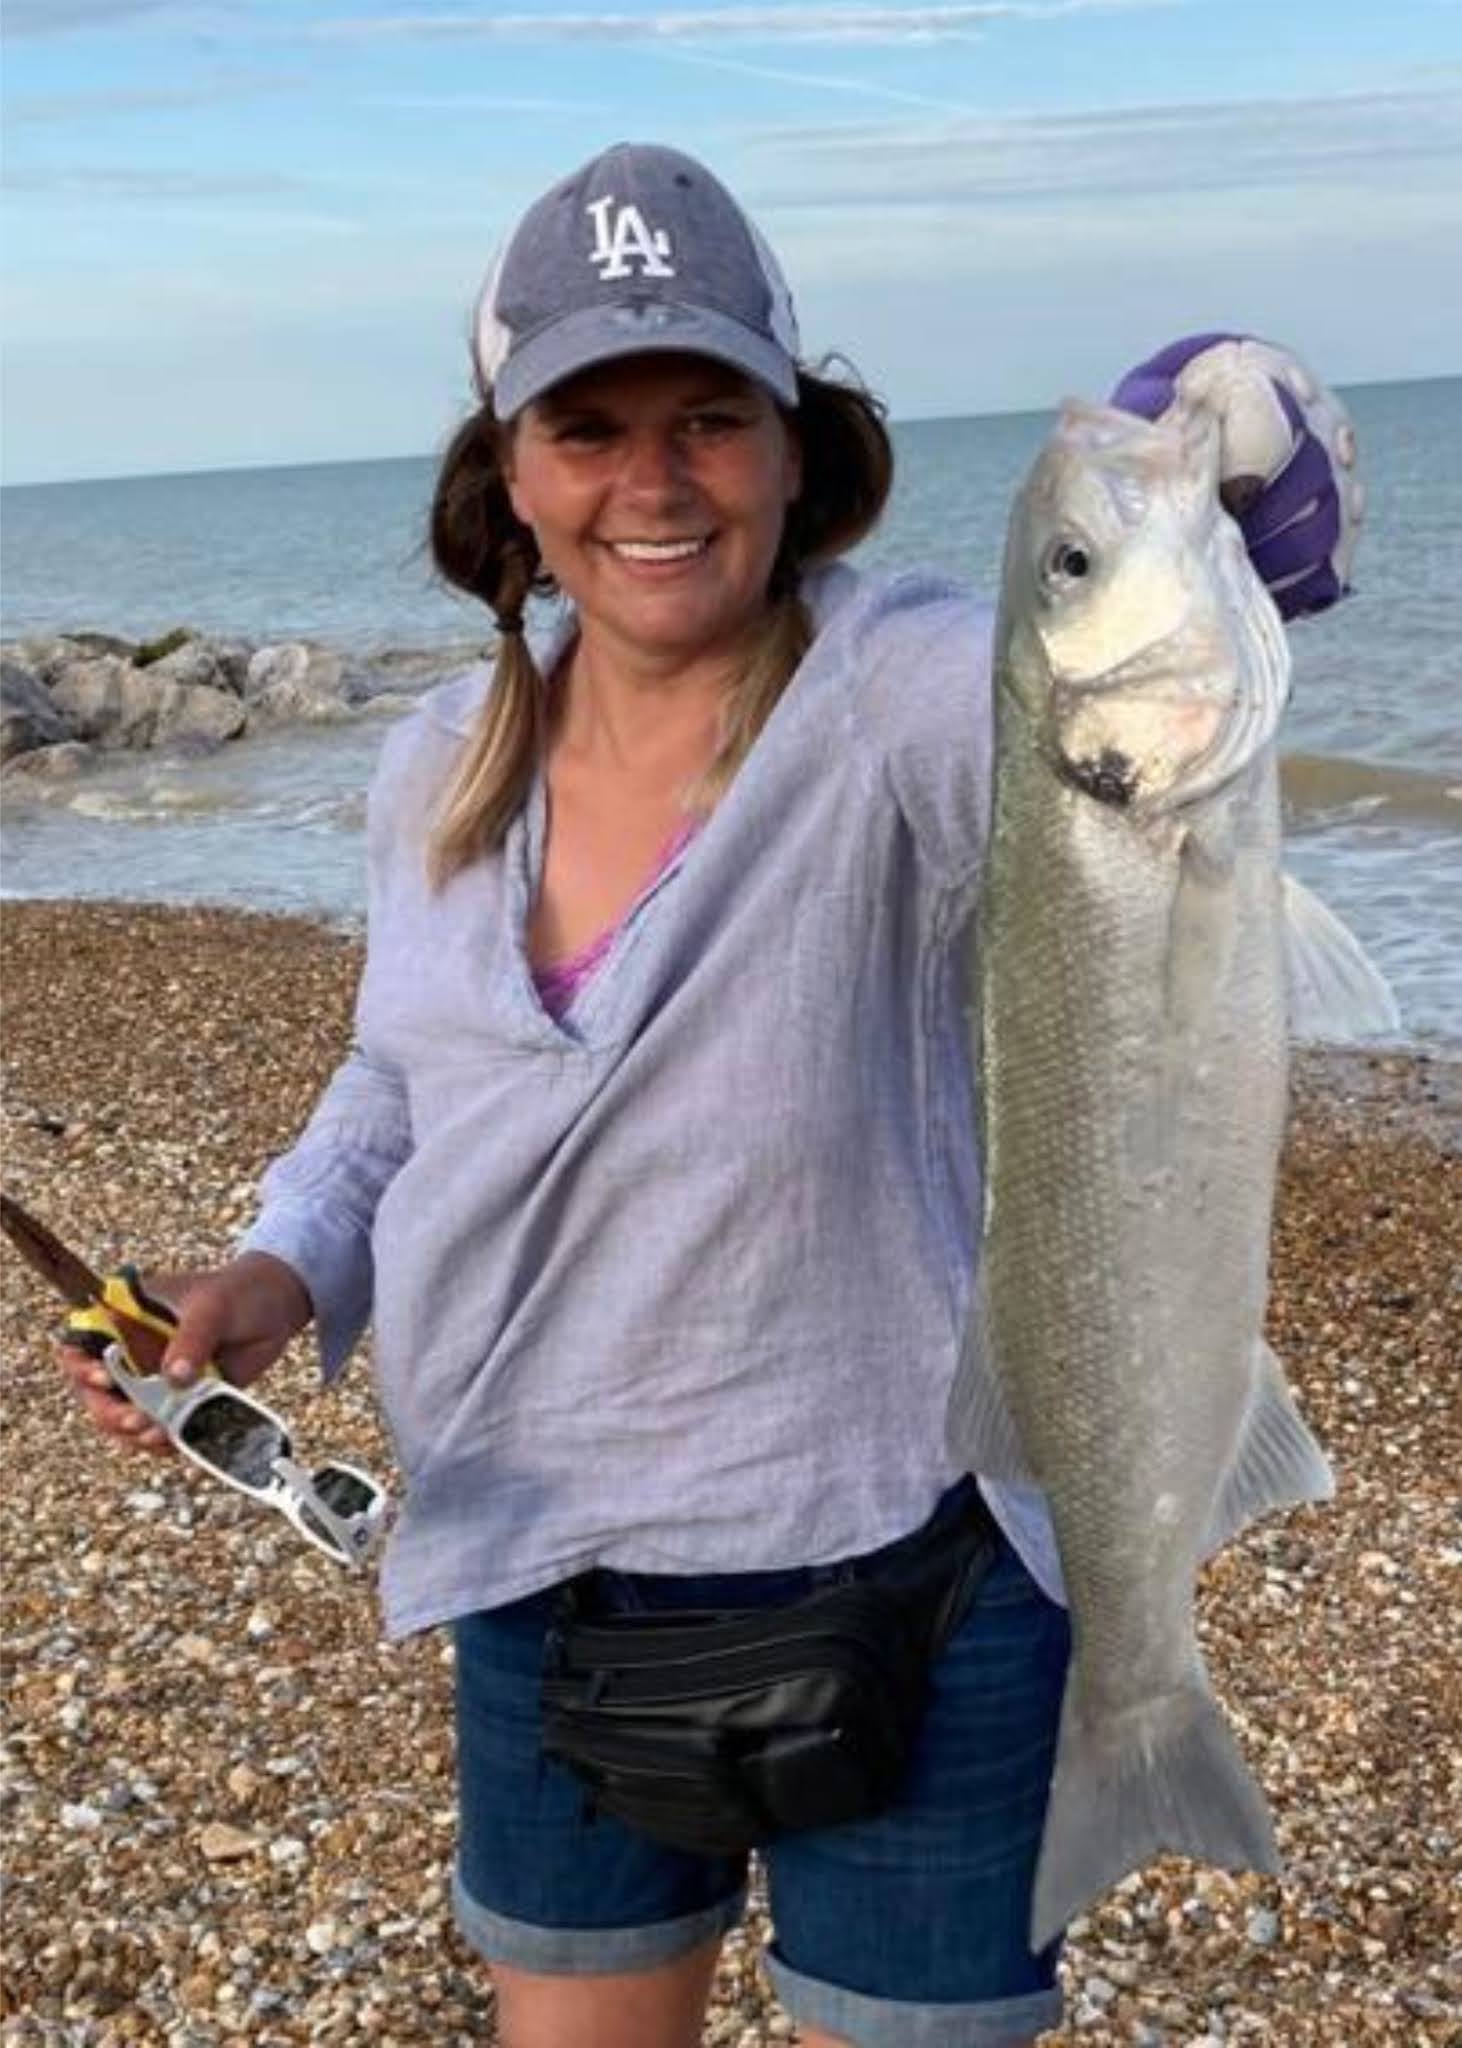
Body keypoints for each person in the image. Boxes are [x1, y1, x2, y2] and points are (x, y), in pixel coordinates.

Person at [60, 143, 1359, 2048]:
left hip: (914, 1576)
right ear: (506, 472)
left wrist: (1236, 469)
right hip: (532, 1578)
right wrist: (269, 1276)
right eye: (586, 426)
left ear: (791, 444)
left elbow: (1098, 711)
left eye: (706, 417)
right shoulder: (432, 761)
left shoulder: (907, 683)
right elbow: (393, 1079)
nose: (650, 481)